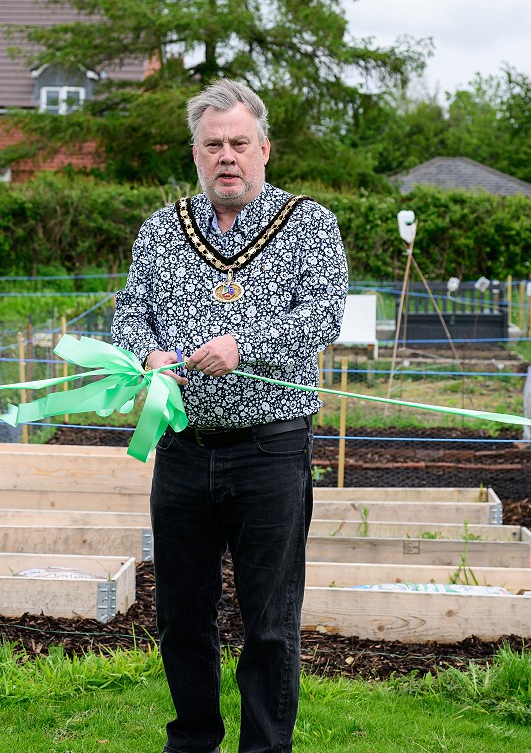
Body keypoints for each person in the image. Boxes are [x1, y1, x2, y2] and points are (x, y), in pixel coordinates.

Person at [111, 79, 348, 753]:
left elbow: (322, 314)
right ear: (195, 154)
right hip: (183, 449)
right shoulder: (161, 229)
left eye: (239, 143)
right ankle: (192, 740)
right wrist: (147, 351)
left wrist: (245, 345)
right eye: (213, 145)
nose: (227, 156)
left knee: (270, 621)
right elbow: (129, 312)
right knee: (182, 614)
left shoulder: (310, 223)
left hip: (270, 451)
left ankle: (265, 748)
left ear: (264, 148)